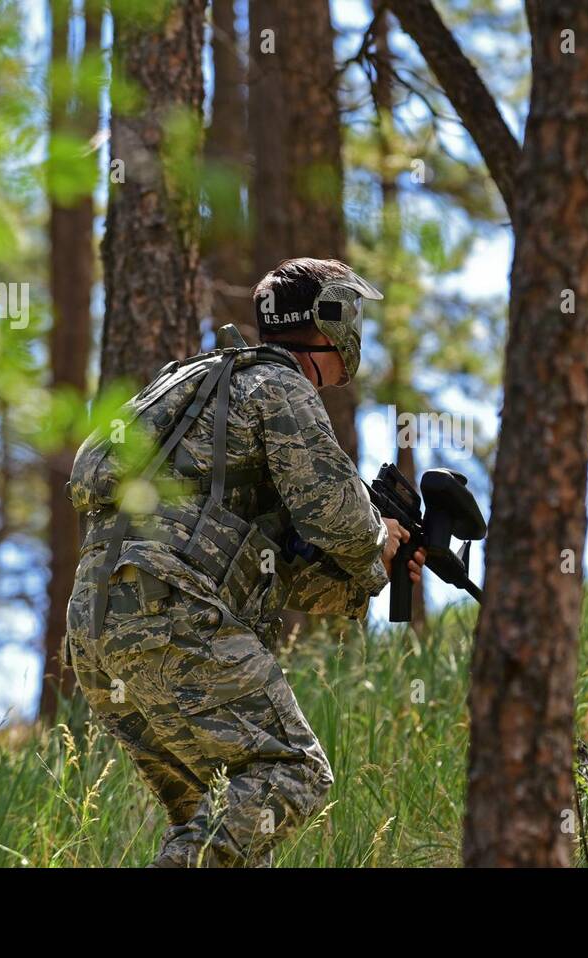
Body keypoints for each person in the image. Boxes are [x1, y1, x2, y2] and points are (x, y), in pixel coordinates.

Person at [63, 257, 424, 866]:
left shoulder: (211, 388)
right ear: (329, 319)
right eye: (352, 313)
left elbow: (269, 572)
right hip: (174, 611)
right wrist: (376, 539)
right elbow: (334, 514)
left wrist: (369, 574)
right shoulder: (280, 386)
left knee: (224, 817)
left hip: (100, 627)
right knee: (292, 772)